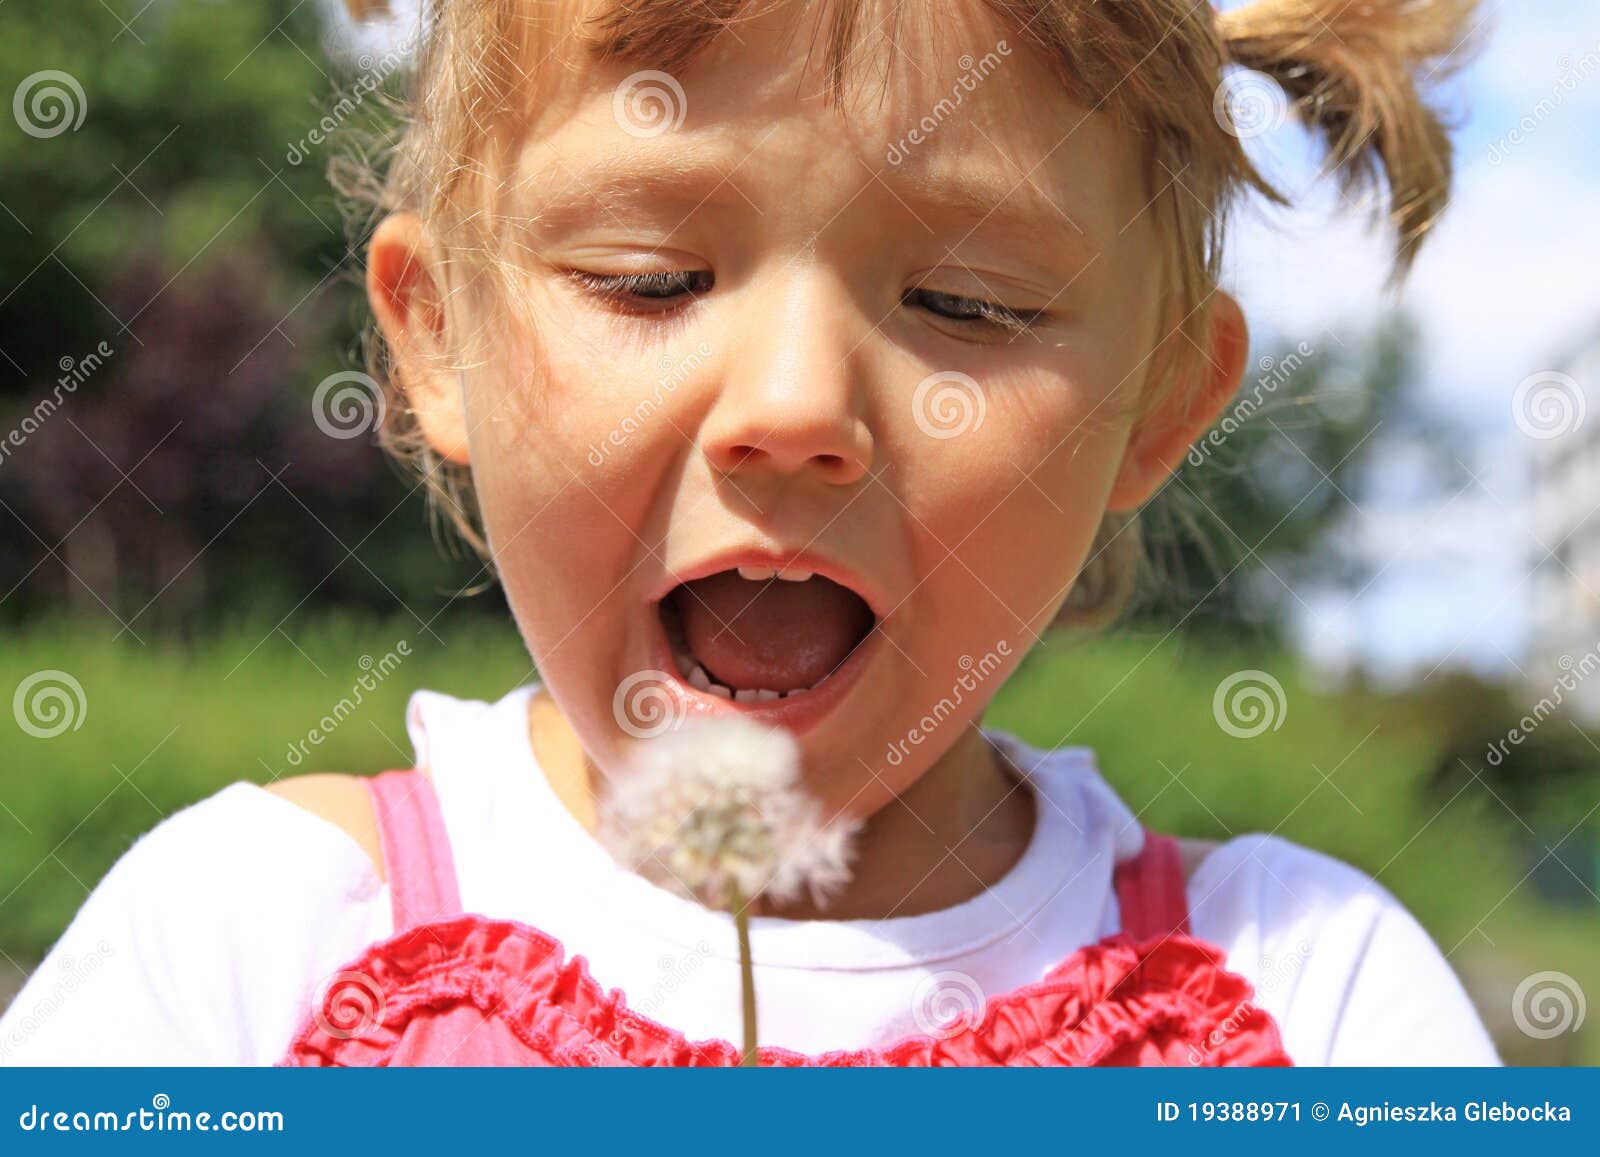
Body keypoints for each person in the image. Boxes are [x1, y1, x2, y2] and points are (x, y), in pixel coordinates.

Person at [1, 0, 1499, 1066]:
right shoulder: (257, 943)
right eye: (651, 277)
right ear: (436, 333)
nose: (793, 407)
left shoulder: (1306, 1001)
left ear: (1162, 400)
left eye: (968, 305)